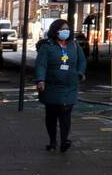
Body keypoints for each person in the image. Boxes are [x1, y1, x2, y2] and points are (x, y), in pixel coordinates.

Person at [35, 19, 87, 153]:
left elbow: (82, 61)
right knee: (52, 115)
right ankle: (53, 141)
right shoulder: (47, 46)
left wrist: (80, 73)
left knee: (66, 113)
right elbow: (41, 64)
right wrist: (40, 80)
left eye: (67, 29)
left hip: (70, 86)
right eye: (63, 29)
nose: (66, 32)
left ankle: (64, 140)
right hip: (52, 86)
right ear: (55, 31)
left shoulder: (74, 45)